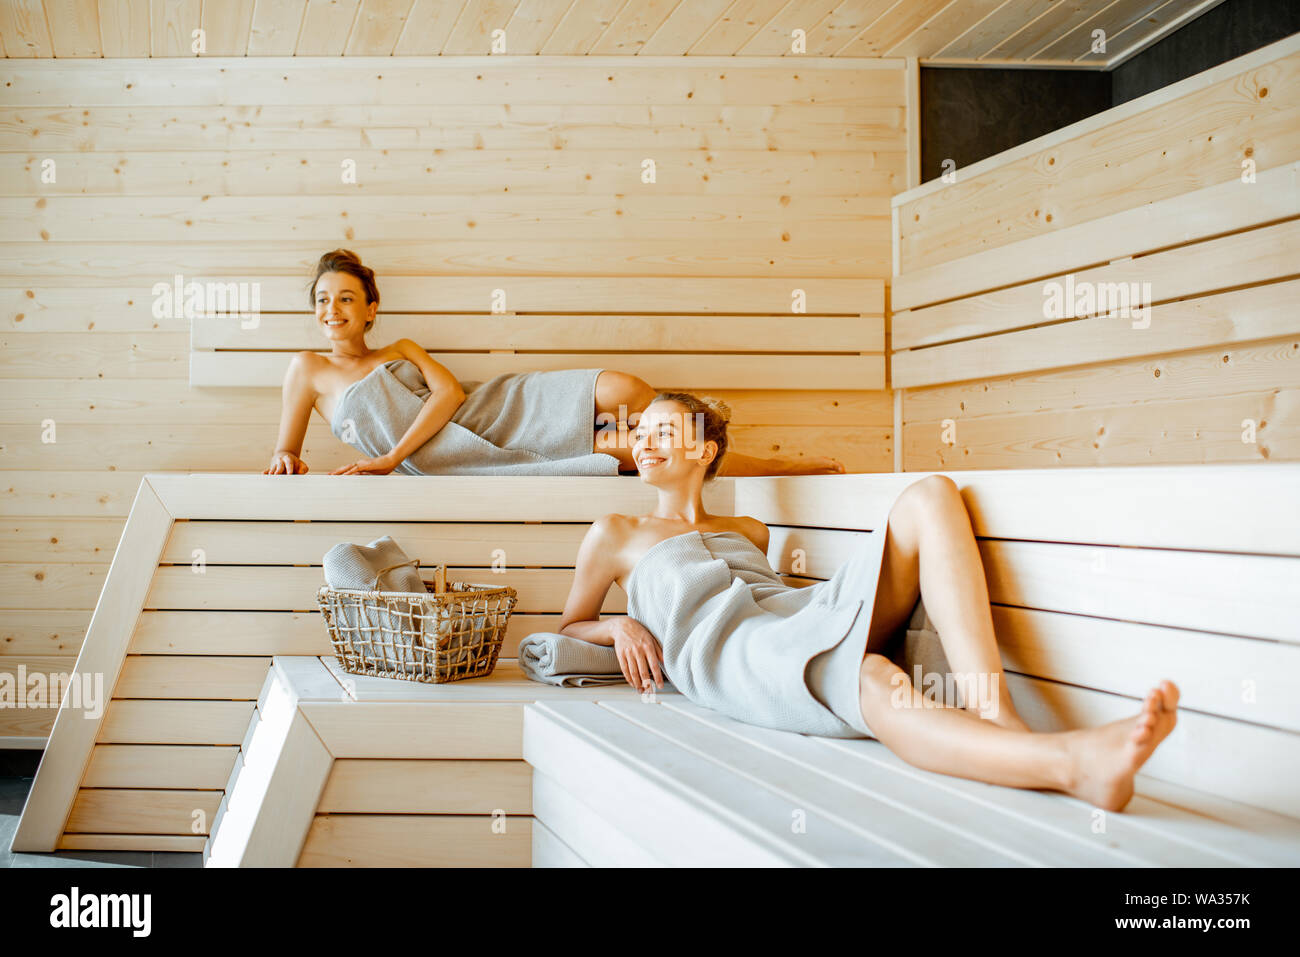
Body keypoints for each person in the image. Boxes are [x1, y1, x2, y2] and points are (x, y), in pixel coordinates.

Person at [555, 390, 1180, 812]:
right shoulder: (616, 534)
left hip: (798, 615)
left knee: (931, 493)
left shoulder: (750, 531)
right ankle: (1070, 763)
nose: (643, 441)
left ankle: (998, 713)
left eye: (665, 431)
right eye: (640, 431)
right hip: (742, 656)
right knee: (871, 676)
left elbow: (772, 589)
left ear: (704, 451)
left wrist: (802, 475)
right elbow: (570, 624)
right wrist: (618, 626)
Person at [264, 249, 846, 477]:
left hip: (491, 411)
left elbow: (451, 397)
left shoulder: (403, 351)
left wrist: (389, 456)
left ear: (370, 309)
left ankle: (728, 437)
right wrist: (287, 462)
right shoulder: (306, 370)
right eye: (322, 299)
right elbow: (286, 453)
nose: (332, 309)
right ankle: (786, 467)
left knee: (626, 388)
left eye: (345, 297)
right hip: (451, 458)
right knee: (636, 452)